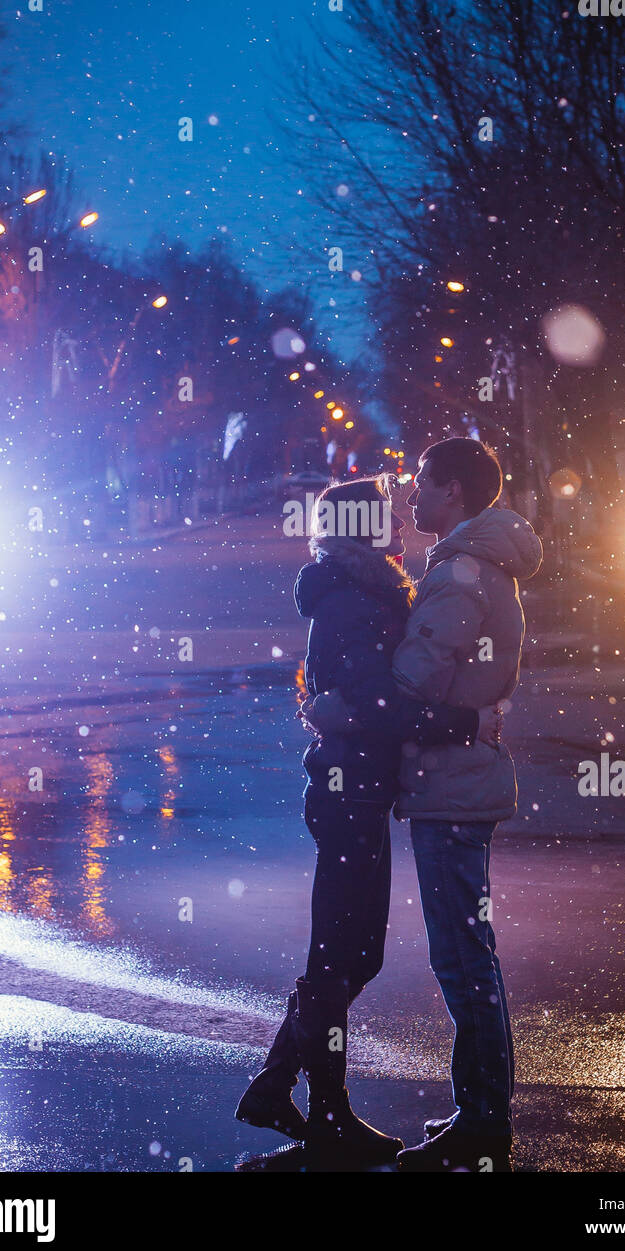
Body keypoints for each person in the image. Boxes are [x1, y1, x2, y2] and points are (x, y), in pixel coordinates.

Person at [235, 474, 495, 1171]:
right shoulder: (354, 597)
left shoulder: (364, 590)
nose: (398, 523)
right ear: (363, 525)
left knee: (352, 955)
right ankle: (322, 1111)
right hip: (348, 793)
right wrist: (464, 721)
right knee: (341, 957)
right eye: (384, 514)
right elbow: (377, 699)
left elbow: (360, 696)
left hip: (359, 790)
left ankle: (279, 1089)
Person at [305, 439, 542, 1172]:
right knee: (461, 954)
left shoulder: (457, 577)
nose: (411, 503)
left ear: (456, 494)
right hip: (454, 781)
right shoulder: (469, 567)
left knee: (464, 958)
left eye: (423, 489)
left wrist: (334, 705)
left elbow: (403, 687)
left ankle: (482, 1123)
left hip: (452, 787)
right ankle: (477, 1112)